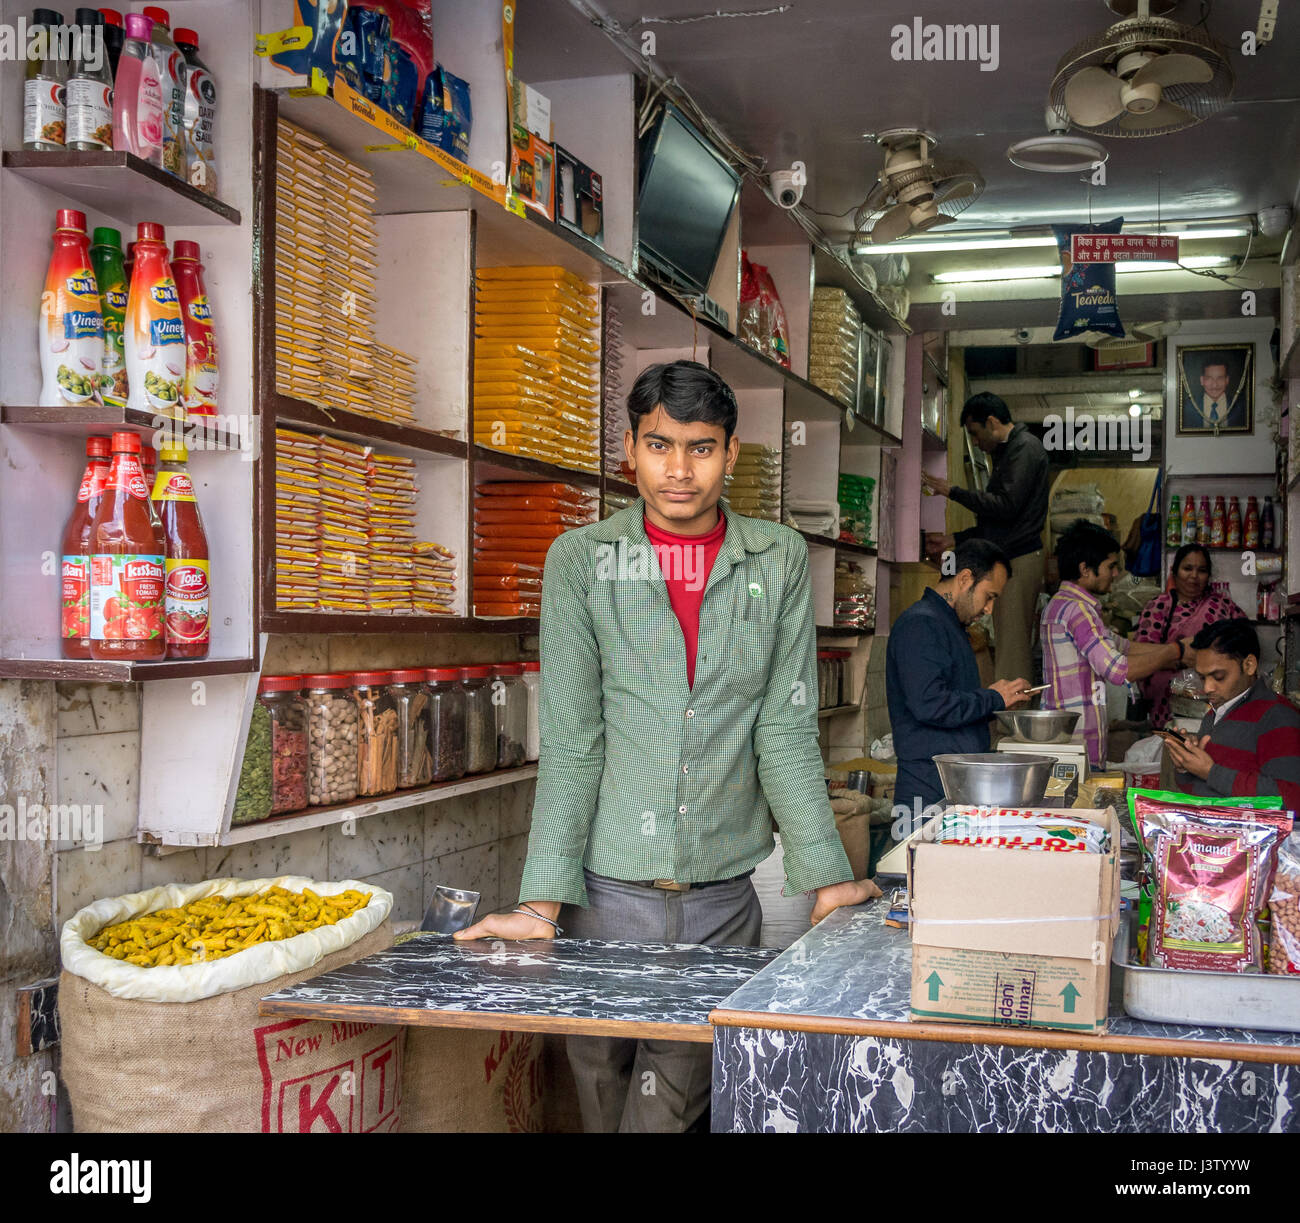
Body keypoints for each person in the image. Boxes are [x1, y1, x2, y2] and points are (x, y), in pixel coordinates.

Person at [456, 360, 877, 1134]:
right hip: (602, 902)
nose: (679, 470)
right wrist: (539, 907)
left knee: (665, 1110)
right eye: (660, 445)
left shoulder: (777, 560)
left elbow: (783, 727)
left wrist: (826, 877)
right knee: (601, 1095)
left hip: (721, 905)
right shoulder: (582, 562)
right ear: (629, 448)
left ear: (733, 454)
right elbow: (574, 742)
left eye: (701, 447)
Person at [886, 538, 1033, 827]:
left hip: (953, 783)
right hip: (927, 788)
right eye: (989, 596)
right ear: (965, 578)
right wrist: (993, 699)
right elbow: (930, 704)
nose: (989, 609)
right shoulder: (921, 624)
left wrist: (996, 698)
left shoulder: (950, 625)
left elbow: (951, 699)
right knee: (918, 870)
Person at [921, 392, 1050, 686]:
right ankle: (1008, 720)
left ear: (991, 423)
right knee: (1007, 643)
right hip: (1011, 556)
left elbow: (1005, 507)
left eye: (976, 434)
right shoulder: (1012, 451)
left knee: (1012, 648)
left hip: (1019, 558)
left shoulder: (1025, 450)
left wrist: (953, 492)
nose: (976, 443)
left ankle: (1012, 722)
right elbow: (998, 521)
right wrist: (953, 539)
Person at [1040, 520, 1191, 768]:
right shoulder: (1078, 611)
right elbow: (1118, 669)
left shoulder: (1060, 603)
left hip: (1066, 741)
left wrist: (1179, 651)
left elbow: (1122, 646)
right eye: (1110, 566)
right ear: (1085, 569)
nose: (1116, 574)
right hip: (1077, 747)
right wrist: (1176, 651)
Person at [1164, 618, 1300, 810]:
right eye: (1202, 677)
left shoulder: (1278, 717)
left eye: (1218, 676)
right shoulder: (1216, 712)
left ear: (1249, 665)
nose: (1207, 687)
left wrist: (1210, 772)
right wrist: (1186, 766)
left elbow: (1291, 798)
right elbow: (1200, 789)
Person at [1133, 543, 1246, 728]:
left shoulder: (1223, 605)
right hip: (1167, 705)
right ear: (1174, 571)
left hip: (1216, 702)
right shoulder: (1159, 607)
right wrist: (1181, 657)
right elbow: (1142, 656)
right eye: (1187, 568)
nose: (1194, 576)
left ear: (1208, 575)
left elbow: (1244, 645)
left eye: (1201, 570)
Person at [1182, 359, 1245, 430]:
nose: (1215, 385)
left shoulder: (1241, 407)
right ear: (1202, 380)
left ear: (1227, 380)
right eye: (1209, 378)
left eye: (1220, 378)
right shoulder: (1188, 407)